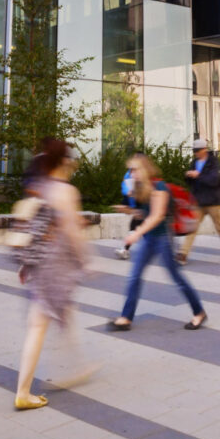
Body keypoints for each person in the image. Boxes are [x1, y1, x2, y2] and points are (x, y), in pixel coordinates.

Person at [14, 138, 96, 410]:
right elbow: (72, 231)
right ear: (64, 161)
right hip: (58, 266)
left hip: (41, 264)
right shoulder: (65, 191)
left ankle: (78, 367)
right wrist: (86, 260)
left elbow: (33, 229)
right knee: (39, 324)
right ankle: (23, 392)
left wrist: (26, 264)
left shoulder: (40, 188)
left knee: (61, 315)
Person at [109, 155, 207, 332]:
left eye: (134, 169)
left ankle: (199, 312)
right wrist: (129, 210)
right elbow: (146, 214)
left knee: (176, 277)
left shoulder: (159, 187)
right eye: (130, 170)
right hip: (149, 239)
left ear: (144, 170)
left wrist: (136, 233)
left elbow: (158, 215)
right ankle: (126, 318)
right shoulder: (143, 188)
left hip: (163, 238)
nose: (131, 173)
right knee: (134, 276)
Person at [178, 139, 220, 266]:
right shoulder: (194, 162)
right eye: (194, 151)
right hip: (199, 201)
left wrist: (197, 175)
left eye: (197, 151)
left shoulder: (213, 162)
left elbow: (213, 180)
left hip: (213, 200)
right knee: (192, 227)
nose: (196, 153)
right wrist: (188, 175)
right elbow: (190, 181)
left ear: (204, 149)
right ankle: (183, 253)